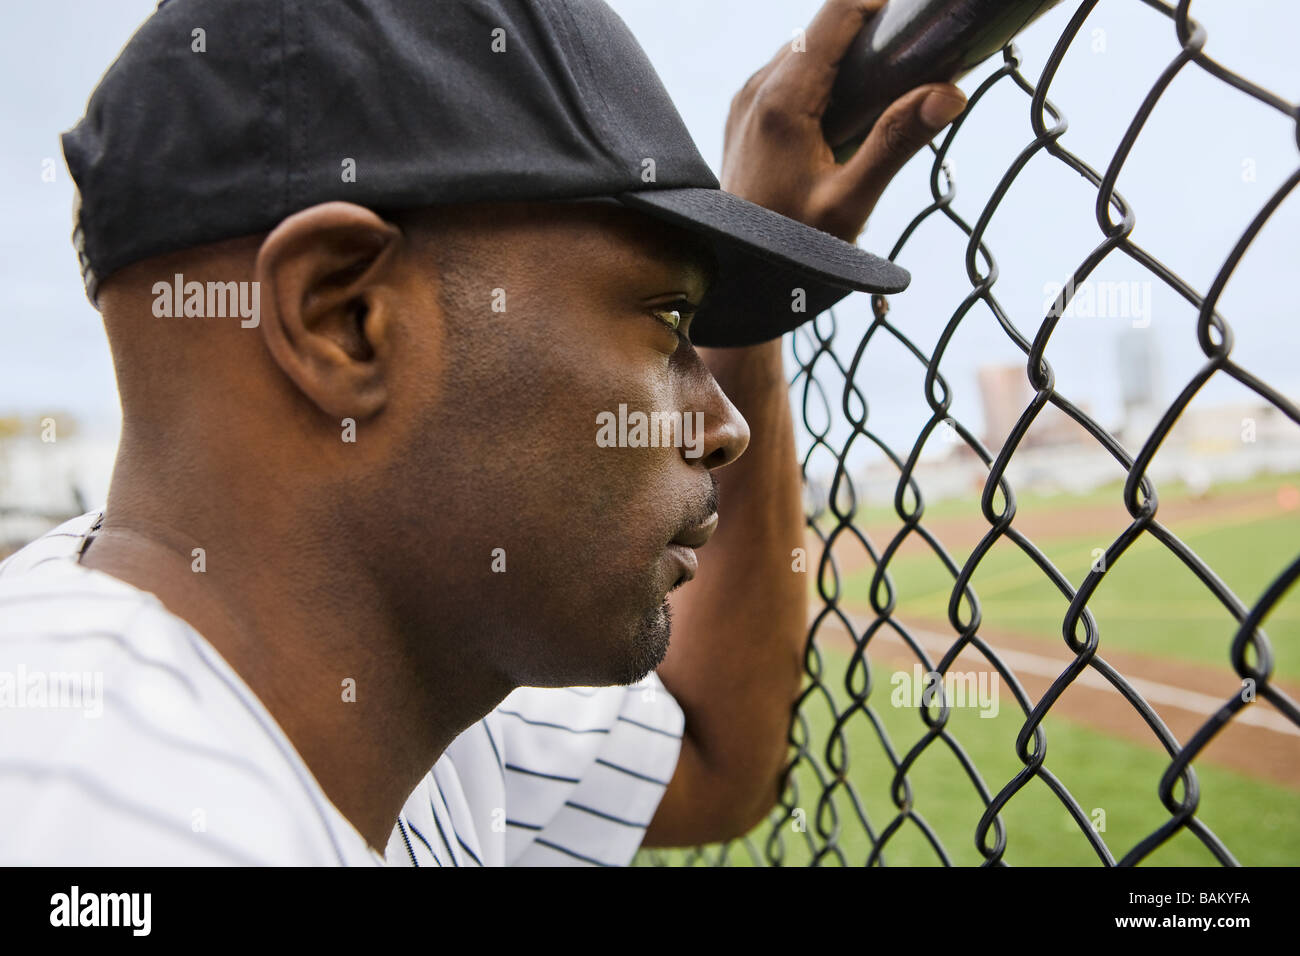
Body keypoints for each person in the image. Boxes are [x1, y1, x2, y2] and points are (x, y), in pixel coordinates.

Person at [0, 0, 965, 865]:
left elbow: (717, 757)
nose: (722, 428)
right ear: (344, 319)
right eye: (670, 321)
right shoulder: (120, 830)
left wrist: (736, 330)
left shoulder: (393, 690)